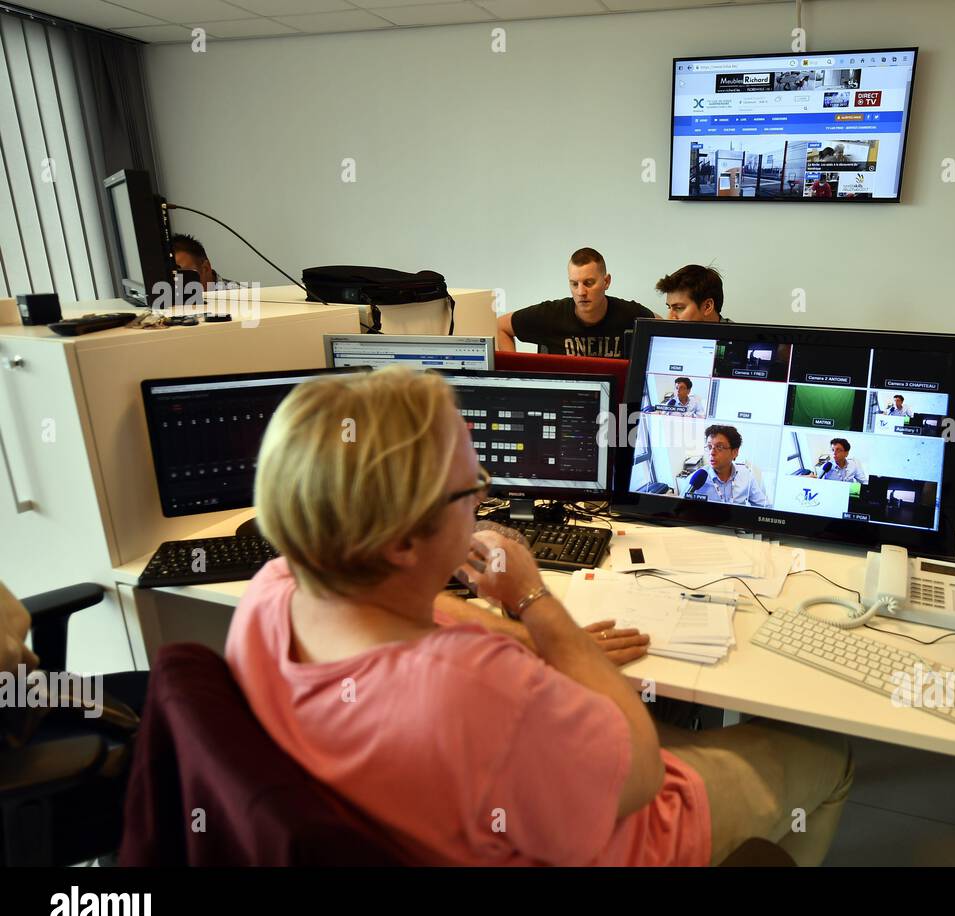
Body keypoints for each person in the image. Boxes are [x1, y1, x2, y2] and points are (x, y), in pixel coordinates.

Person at [225, 366, 850, 866]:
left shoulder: (274, 589)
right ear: (402, 542)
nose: (483, 502)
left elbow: (437, 609)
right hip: (631, 829)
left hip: (457, 810)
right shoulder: (472, 684)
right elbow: (640, 775)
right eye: (471, 490)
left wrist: (525, 640)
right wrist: (536, 603)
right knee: (826, 750)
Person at [496, 247, 655, 356]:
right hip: (562, 400)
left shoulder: (630, 314)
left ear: (606, 282)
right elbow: (500, 326)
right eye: (574, 284)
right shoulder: (551, 314)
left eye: (589, 283)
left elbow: (666, 329)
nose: (581, 292)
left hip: (618, 403)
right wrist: (515, 377)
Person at [694, 424, 770, 508]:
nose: (712, 452)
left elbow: (765, 506)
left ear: (734, 452)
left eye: (719, 447)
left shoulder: (746, 475)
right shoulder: (698, 478)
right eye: (709, 447)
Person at [656, 264, 731, 323]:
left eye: (679, 308)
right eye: (669, 307)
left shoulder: (740, 340)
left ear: (707, 306)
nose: (669, 318)